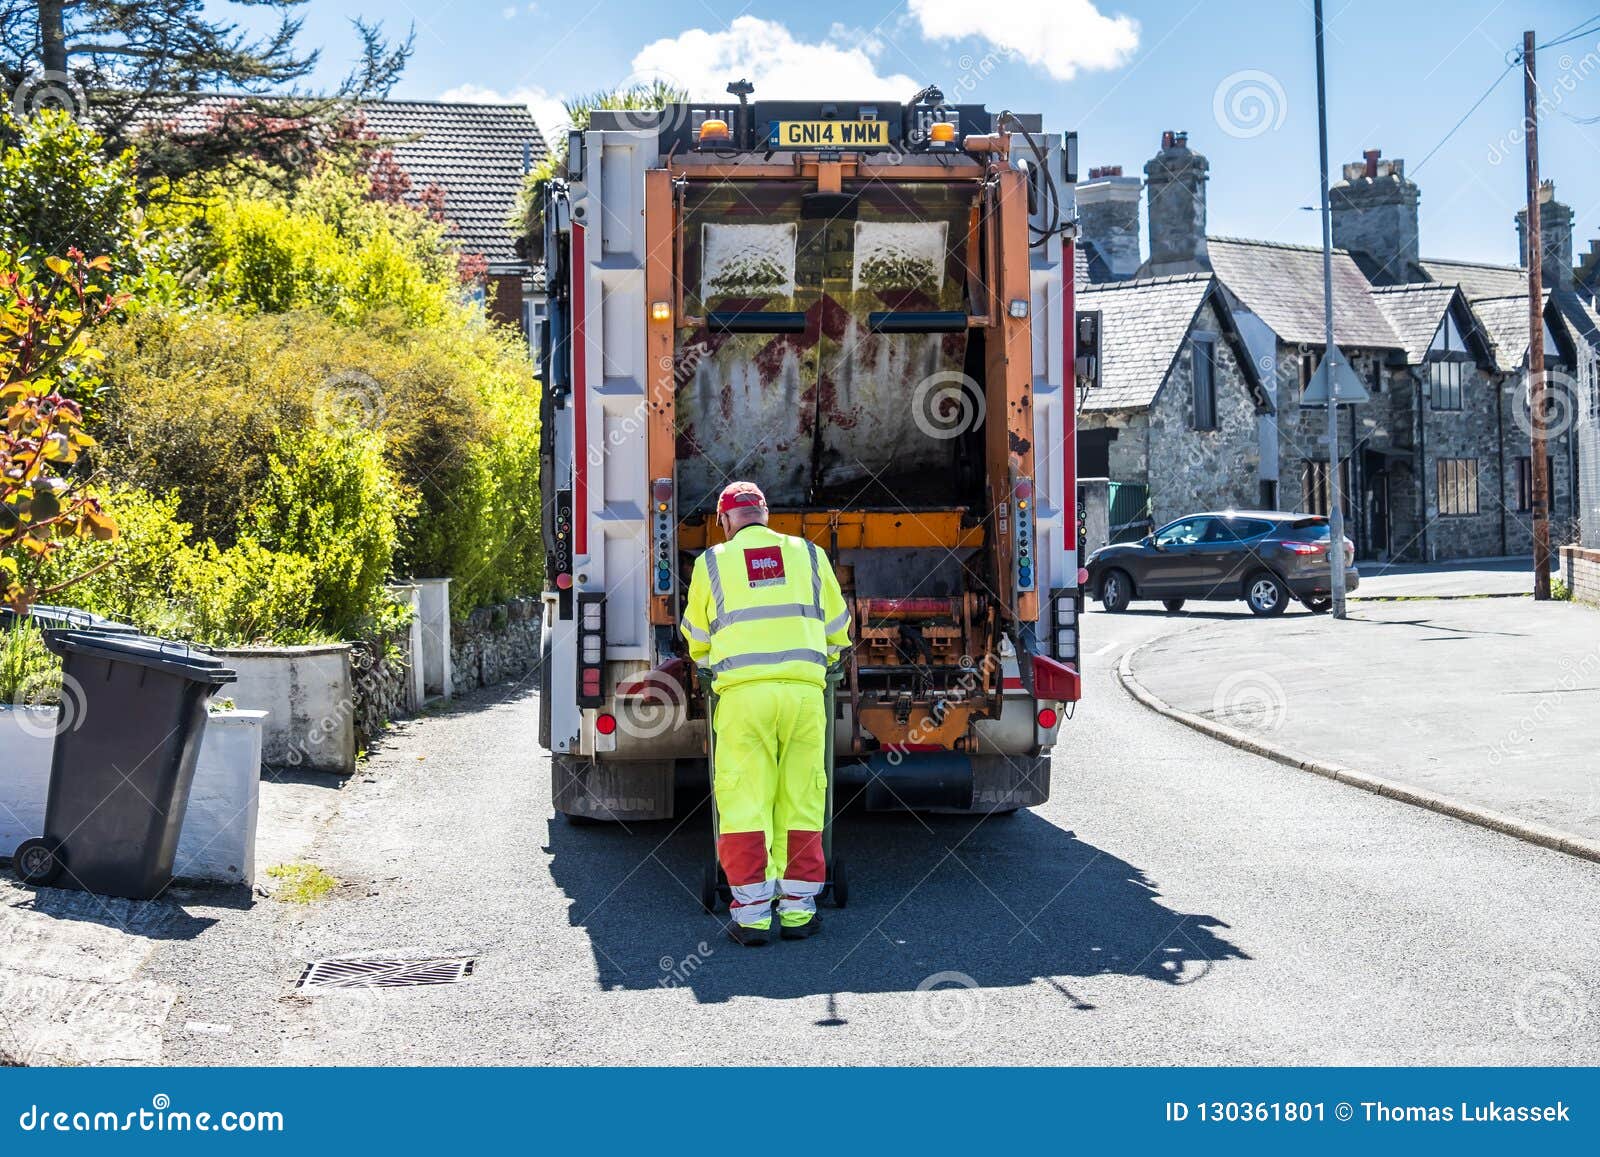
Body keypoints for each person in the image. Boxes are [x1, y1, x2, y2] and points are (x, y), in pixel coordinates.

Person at [682, 481, 852, 946]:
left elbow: (697, 636)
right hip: (804, 697)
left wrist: (710, 661)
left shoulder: (711, 563)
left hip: (743, 700)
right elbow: (839, 627)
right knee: (801, 798)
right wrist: (828, 656)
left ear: (723, 520)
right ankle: (798, 913)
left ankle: (753, 918)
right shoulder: (810, 555)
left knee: (745, 802)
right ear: (766, 514)